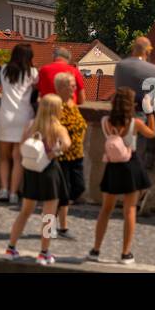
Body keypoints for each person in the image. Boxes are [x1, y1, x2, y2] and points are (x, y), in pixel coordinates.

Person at [89, 86, 155, 265]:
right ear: (130, 105)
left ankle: (95, 249)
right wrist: (150, 112)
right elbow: (152, 133)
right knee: (130, 210)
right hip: (130, 165)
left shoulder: (105, 122)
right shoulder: (135, 123)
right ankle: (125, 253)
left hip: (112, 166)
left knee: (105, 210)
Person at [5, 93, 71, 266]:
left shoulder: (30, 125)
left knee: (25, 211)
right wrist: (52, 153)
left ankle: (11, 247)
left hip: (32, 171)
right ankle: (44, 252)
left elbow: (21, 146)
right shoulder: (58, 128)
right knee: (48, 216)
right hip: (49, 171)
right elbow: (67, 144)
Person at [115, 35, 155, 210]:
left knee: (123, 158)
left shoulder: (120, 67)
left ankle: (128, 195)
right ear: (147, 51)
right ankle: (137, 195)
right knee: (139, 158)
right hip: (141, 118)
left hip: (119, 117)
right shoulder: (154, 70)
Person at [0, 42, 38, 203]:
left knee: (4, 157)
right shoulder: (32, 72)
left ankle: (3, 189)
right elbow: (37, 88)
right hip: (23, 117)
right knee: (18, 158)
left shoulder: (4, 70)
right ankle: (14, 193)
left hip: (5, 115)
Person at [52, 73, 88, 238]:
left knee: (78, 188)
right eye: (71, 85)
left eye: (74, 85)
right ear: (60, 88)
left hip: (76, 155)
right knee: (58, 196)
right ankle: (58, 228)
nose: (75, 88)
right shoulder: (55, 106)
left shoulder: (72, 103)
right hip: (60, 157)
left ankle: (56, 223)